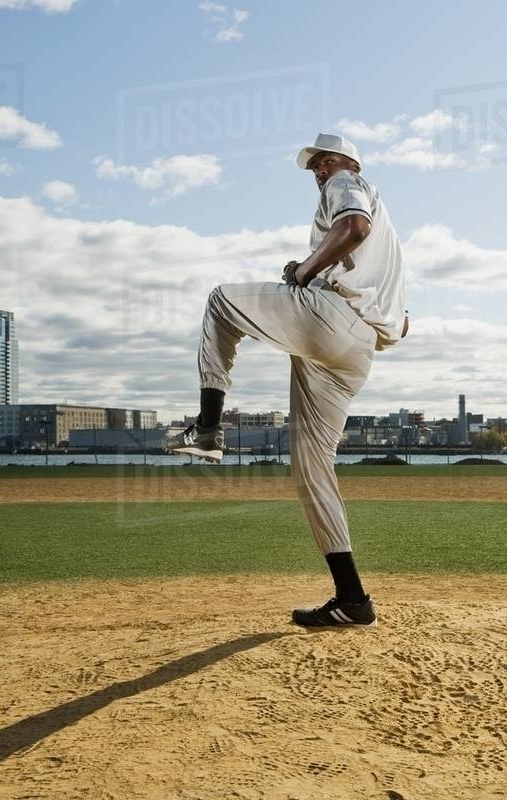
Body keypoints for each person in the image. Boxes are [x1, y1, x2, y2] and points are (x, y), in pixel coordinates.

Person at [166, 132, 407, 627]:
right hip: (356, 352)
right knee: (312, 469)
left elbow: (354, 226)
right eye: (314, 165)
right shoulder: (392, 246)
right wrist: (319, 275)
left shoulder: (348, 182)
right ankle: (353, 599)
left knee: (220, 300)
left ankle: (208, 429)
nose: (319, 170)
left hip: (331, 321)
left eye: (324, 160)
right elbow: (403, 323)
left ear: (348, 161)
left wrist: (304, 270)